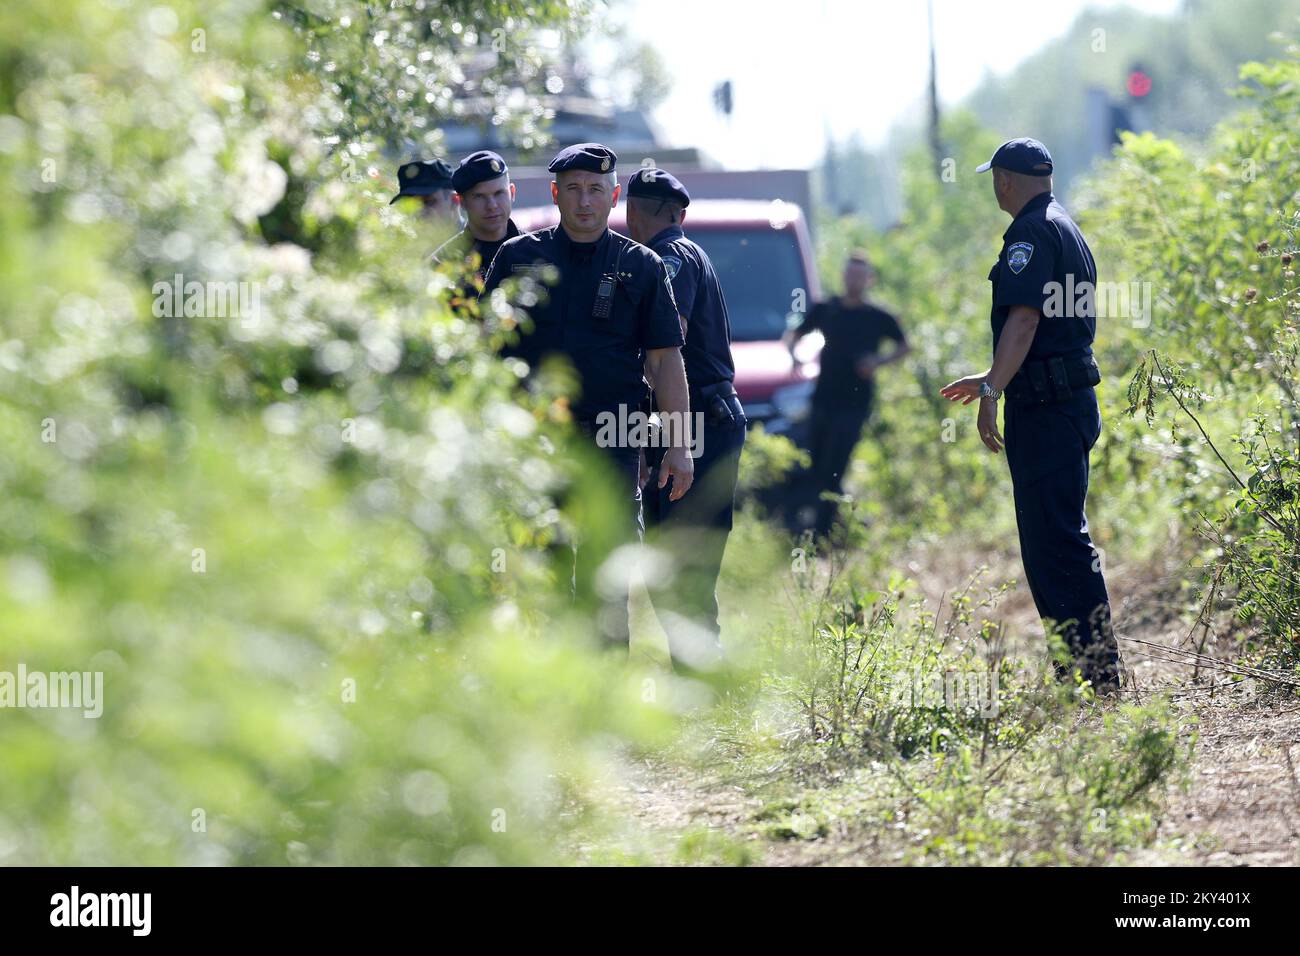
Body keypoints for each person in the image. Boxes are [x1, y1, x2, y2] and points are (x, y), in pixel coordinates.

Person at [480, 143, 695, 650]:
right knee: (545, 569)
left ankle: (608, 703)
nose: (584, 201)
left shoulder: (641, 266)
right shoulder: (517, 258)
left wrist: (680, 445)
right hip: (535, 443)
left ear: (614, 195)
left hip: (614, 439)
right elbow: (486, 351)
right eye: (573, 189)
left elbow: (666, 362)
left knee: (606, 573)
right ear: (555, 193)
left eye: (596, 190)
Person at [940, 136, 1121, 693]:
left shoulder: (1029, 232)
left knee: (1055, 544)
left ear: (1003, 180)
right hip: (1063, 401)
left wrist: (995, 388)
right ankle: (1088, 675)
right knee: (1059, 539)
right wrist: (994, 375)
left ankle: (1094, 679)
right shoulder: (1064, 224)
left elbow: (1025, 322)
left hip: (1047, 409)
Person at [625, 166, 744, 675]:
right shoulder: (687, 251)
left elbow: (664, 341)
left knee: (676, 552)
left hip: (693, 420)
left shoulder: (668, 258)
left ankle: (699, 673)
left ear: (631, 212)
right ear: (679, 214)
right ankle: (699, 669)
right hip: (704, 415)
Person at [787, 252, 910, 539]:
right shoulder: (825, 309)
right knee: (816, 463)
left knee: (835, 465)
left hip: (855, 404)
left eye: (859, 275)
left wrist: (877, 363)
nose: (853, 280)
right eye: (849, 274)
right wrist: (795, 357)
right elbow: (795, 335)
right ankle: (829, 523)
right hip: (822, 399)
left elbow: (905, 346)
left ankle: (823, 533)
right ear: (843, 276)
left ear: (869, 279)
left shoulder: (878, 316)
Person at [432, 150, 521, 281]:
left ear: (512, 192)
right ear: (462, 202)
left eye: (499, 193)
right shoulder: (442, 263)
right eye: (479, 196)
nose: (492, 205)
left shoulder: (538, 251)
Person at [390, 158, 458, 223]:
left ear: (454, 201)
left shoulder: (468, 234)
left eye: (428, 202)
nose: (419, 213)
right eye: (411, 205)